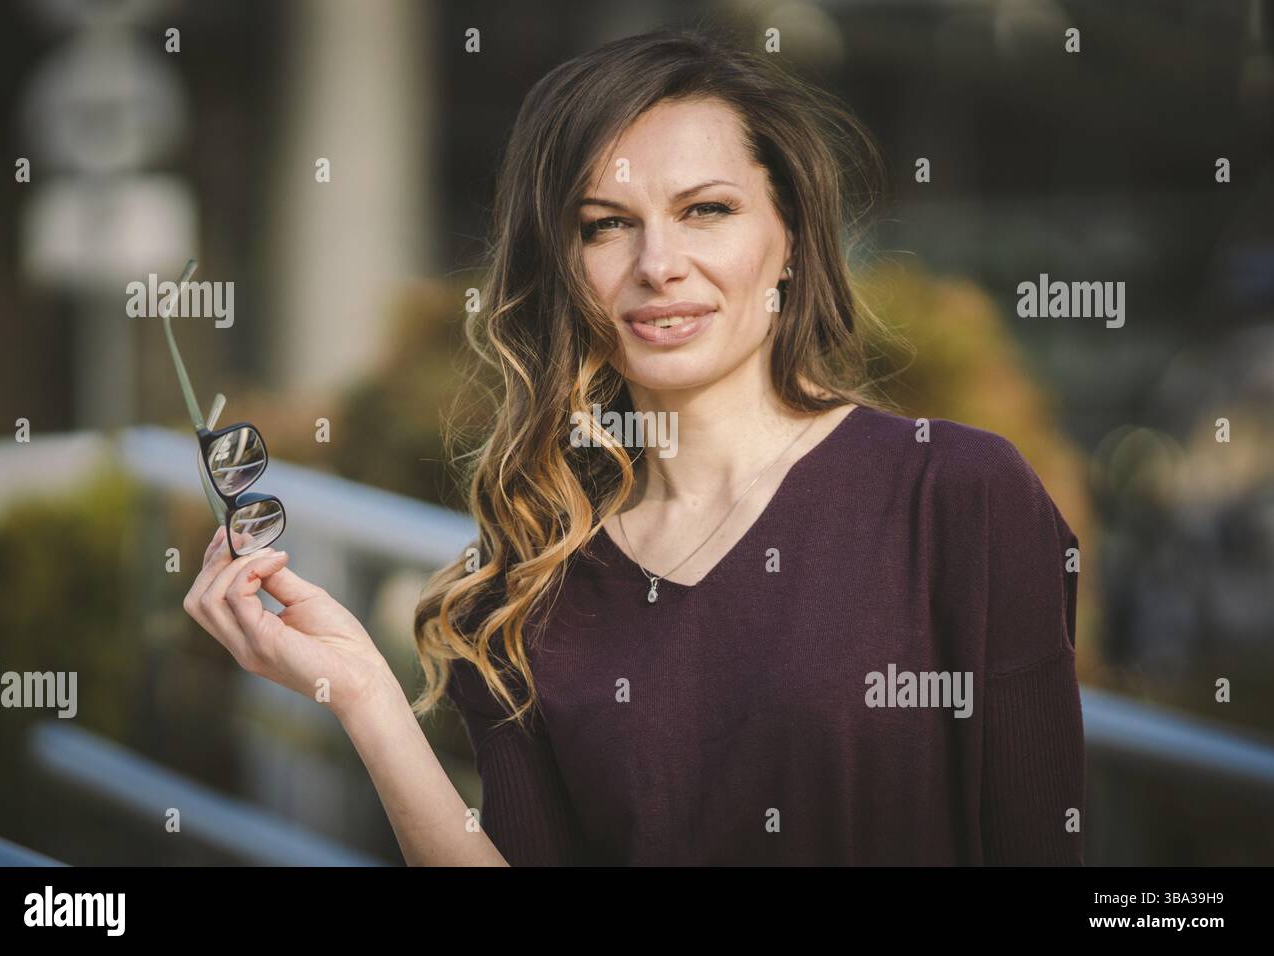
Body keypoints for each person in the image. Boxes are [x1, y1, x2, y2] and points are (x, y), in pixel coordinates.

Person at [183, 26, 1084, 866]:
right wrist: (365, 698)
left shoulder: (959, 494)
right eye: (606, 224)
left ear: (793, 241)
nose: (658, 263)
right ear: (564, 269)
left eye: (706, 210)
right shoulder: (526, 581)